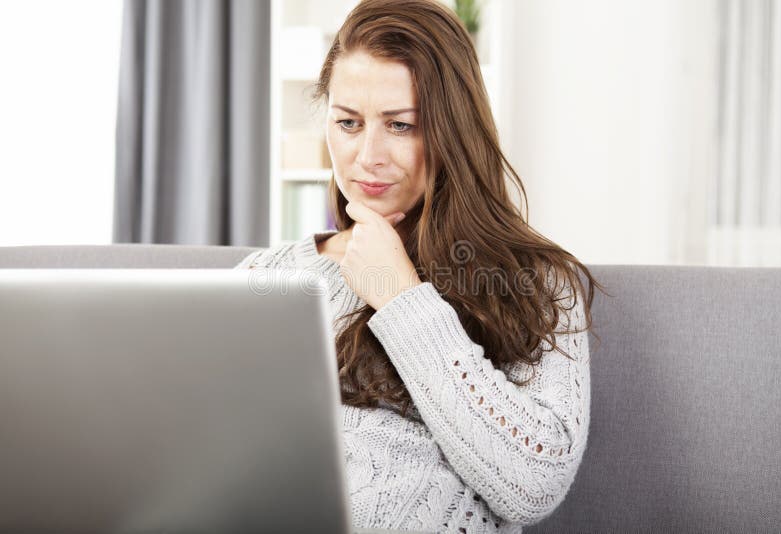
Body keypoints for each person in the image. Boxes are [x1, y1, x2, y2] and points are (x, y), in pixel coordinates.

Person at [237, 0, 602, 531]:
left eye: (401, 125)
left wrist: (400, 297)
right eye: (348, 122)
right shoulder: (266, 278)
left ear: (454, 132)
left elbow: (534, 484)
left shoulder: (537, 283)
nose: (368, 155)